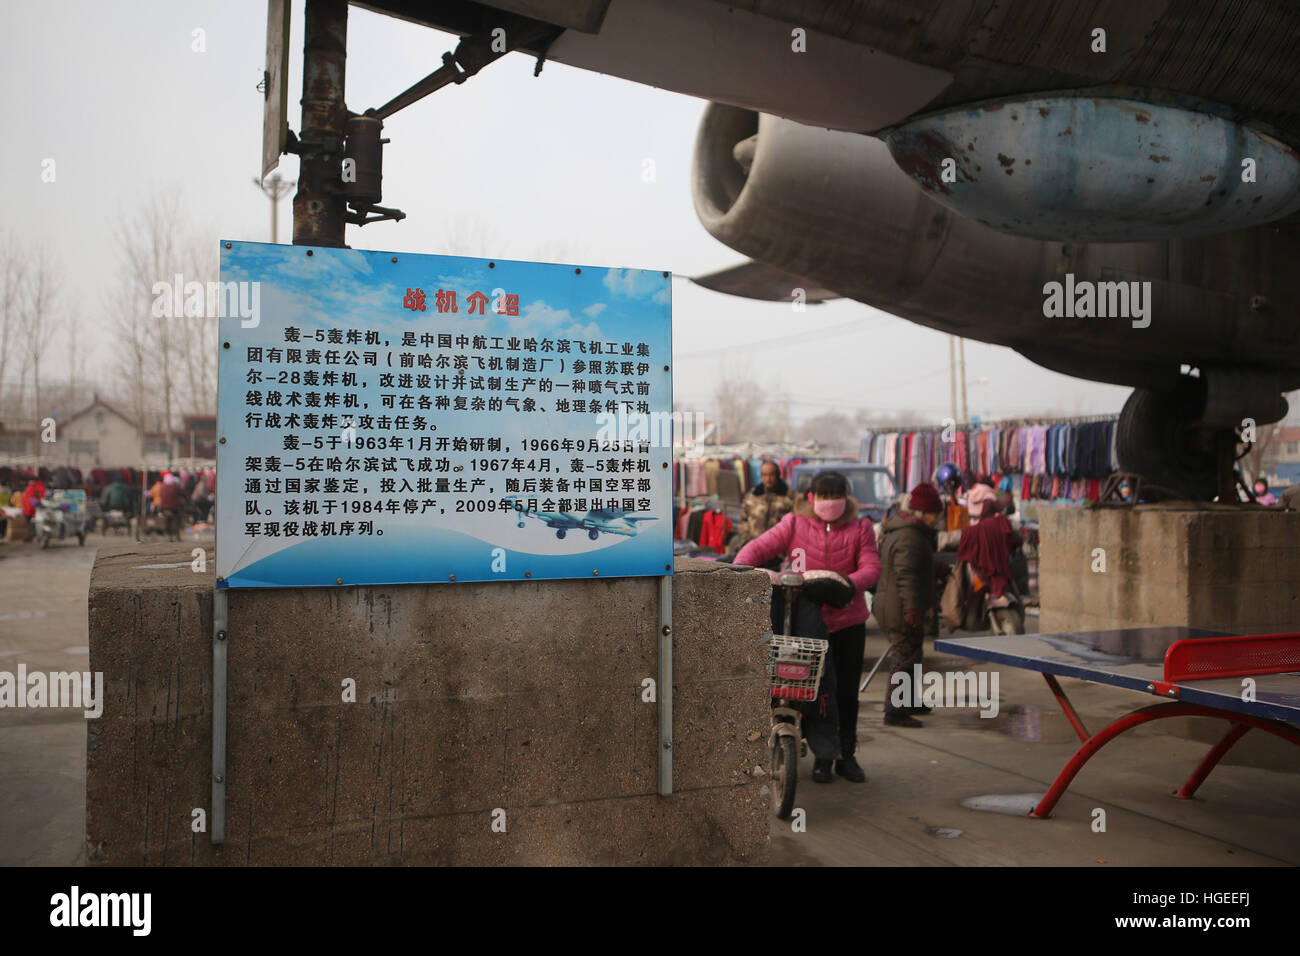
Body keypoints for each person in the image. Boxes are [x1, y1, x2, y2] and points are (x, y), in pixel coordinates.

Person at [736, 471, 881, 783]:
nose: (830, 502)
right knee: (808, 689)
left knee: (845, 693)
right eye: (824, 495)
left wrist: (846, 584)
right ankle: (818, 756)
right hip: (803, 623)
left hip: (847, 622)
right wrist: (741, 573)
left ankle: (846, 754)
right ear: (812, 498)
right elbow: (755, 549)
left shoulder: (861, 527)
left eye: (836, 495)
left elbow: (871, 567)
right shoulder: (794, 523)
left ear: (847, 497)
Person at [874, 483, 944, 727]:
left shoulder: (906, 531)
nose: (937, 519)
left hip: (897, 604)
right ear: (923, 512)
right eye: (935, 514)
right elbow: (907, 575)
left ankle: (910, 700)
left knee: (913, 654)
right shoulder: (910, 536)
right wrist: (913, 609)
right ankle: (894, 711)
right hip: (902, 607)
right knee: (903, 658)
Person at [727, 460, 794, 560]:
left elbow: (792, 527)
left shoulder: (788, 498)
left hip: (777, 554)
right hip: (752, 549)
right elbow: (743, 521)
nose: (768, 479)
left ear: (777, 475)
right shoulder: (753, 496)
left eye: (771, 475)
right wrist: (747, 542)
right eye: (764, 475)